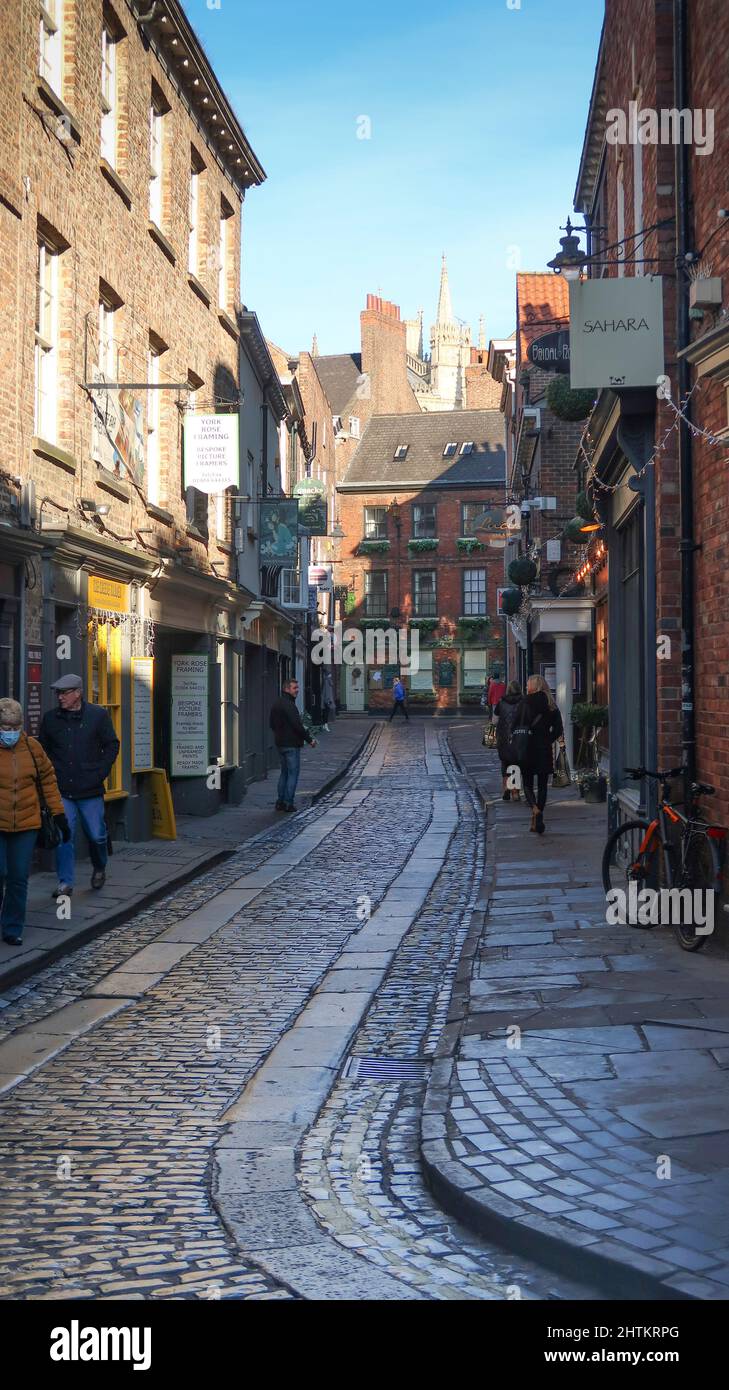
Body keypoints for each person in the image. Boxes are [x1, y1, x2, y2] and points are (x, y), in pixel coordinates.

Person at [39, 674, 120, 896]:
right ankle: (65, 883)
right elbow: (42, 751)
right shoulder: (50, 719)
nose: (60, 698)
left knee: (97, 835)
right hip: (62, 789)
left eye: (64, 693)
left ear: (78, 693)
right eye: (58, 693)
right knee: (65, 835)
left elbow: (112, 745)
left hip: (90, 789)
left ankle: (99, 865)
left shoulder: (97, 716)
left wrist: (100, 772)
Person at [0, 697, 69, 944]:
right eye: (4, 728)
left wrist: (59, 815)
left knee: (18, 877)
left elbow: (48, 781)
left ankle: (12, 928)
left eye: (14, 728)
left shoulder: (32, 748)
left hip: (27, 824)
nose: (9, 733)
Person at [519, 674, 565, 835]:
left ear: (533, 686)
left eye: (527, 684)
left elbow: (517, 724)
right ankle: (539, 814)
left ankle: (535, 809)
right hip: (544, 748)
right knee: (543, 785)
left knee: (527, 783)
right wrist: (548, 739)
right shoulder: (551, 703)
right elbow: (559, 729)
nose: (526, 687)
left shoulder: (525, 702)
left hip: (527, 748)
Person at [269, 678, 317, 812]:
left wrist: (279, 734)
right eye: (294, 688)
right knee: (292, 774)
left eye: (297, 688)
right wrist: (309, 740)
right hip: (291, 745)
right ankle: (288, 803)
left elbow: (271, 724)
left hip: (280, 744)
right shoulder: (290, 705)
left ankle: (280, 802)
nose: (297, 691)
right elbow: (298, 726)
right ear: (286, 689)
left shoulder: (276, 704)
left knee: (284, 773)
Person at [494, 680, 523, 801]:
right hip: (518, 736)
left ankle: (506, 788)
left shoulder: (501, 702)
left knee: (505, 762)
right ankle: (515, 792)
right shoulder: (523, 702)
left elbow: (495, 719)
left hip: (503, 736)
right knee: (516, 763)